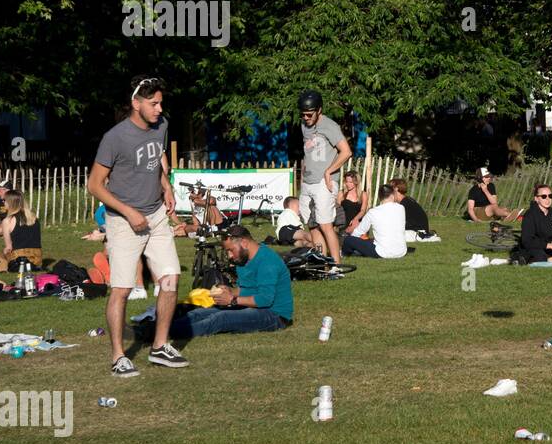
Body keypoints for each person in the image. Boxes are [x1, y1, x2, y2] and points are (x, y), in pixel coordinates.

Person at [87, 75, 187, 376]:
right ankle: (119, 356)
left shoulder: (162, 126)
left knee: (170, 278)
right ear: (136, 103)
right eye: (153, 103)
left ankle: (159, 347)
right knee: (122, 289)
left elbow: (155, 161)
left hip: (156, 216)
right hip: (122, 221)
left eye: (160, 103)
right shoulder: (115, 138)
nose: (159, 109)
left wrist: (166, 185)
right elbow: (94, 185)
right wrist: (128, 211)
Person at [163, 226, 293, 339]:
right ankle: (159, 327)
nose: (230, 256)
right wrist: (230, 291)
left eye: (231, 250)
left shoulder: (268, 261)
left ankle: (163, 334)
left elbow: (265, 299)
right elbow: (249, 289)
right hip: (256, 306)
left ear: (244, 242)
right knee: (201, 313)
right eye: (227, 251)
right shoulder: (242, 258)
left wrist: (232, 300)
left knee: (220, 318)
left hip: (275, 315)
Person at [298, 90, 352, 265]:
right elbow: (308, 153)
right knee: (311, 224)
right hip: (307, 182)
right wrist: (302, 178)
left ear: (319, 110)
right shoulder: (304, 125)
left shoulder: (330, 126)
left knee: (326, 224)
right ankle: (323, 264)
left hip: (324, 182)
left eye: (309, 114)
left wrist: (329, 171)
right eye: (303, 114)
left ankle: (336, 265)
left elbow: (346, 152)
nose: (306, 117)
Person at [344, 184, 408, 259]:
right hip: (401, 251)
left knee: (348, 240)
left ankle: (344, 254)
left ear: (379, 197)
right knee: (369, 240)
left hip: (382, 252)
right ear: (393, 195)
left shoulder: (373, 212)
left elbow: (358, 232)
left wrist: (352, 236)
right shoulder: (401, 208)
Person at [0, 189, 43, 269]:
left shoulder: (7, 220)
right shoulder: (34, 218)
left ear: (10, 202)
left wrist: (3, 253)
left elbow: (9, 247)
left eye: (4, 200)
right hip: (37, 259)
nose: (3, 202)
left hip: (19, 260)